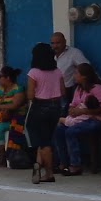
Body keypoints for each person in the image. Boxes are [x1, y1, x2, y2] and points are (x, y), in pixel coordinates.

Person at [55, 62, 101, 176]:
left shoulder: (98, 89)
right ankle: (63, 163)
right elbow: (73, 103)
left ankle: (76, 165)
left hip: (96, 120)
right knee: (59, 130)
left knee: (71, 131)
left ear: (84, 76)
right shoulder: (79, 89)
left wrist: (82, 111)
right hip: (80, 118)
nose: (74, 75)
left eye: (76, 73)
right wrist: (72, 110)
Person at [24, 42, 64, 183]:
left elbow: (30, 95)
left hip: (39, 106)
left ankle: (49, 173)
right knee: (46, 139)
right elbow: (63, 91)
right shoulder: (57, 71)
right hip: (56, 107)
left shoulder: (33, 73)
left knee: (43, 141)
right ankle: (38, 164)